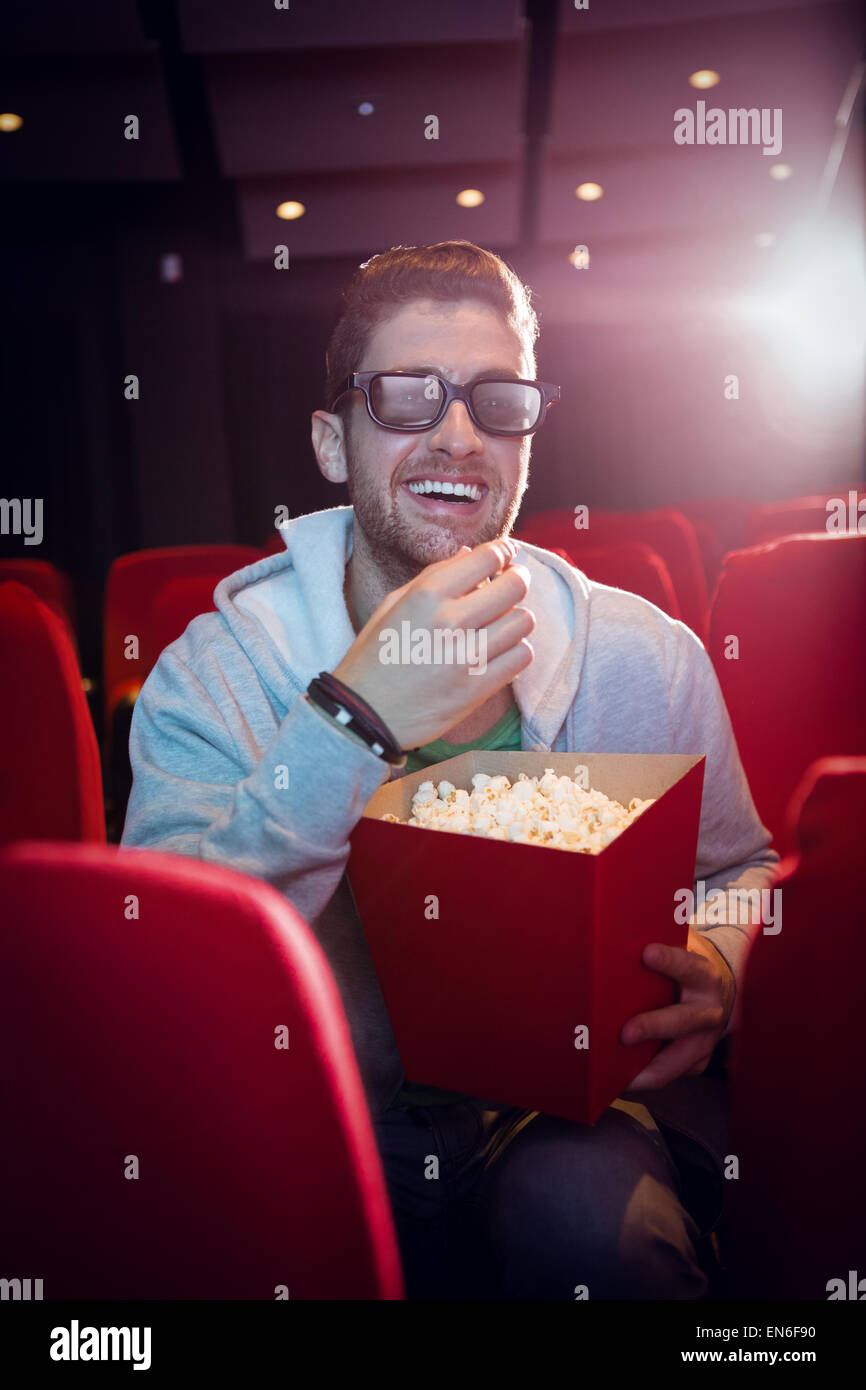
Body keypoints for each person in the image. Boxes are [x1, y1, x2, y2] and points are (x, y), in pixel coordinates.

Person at [122, 240, 779, 1299]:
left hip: (575, 1116)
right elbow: (159, 977)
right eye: (406, 397)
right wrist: (355, 721)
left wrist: (723, 965)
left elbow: (741, 869)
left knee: (583, 1233)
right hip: (323, 1119)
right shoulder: (213, 677)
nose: (459, 435)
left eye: (496, 400)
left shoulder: (644, 656)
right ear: (331, 443)